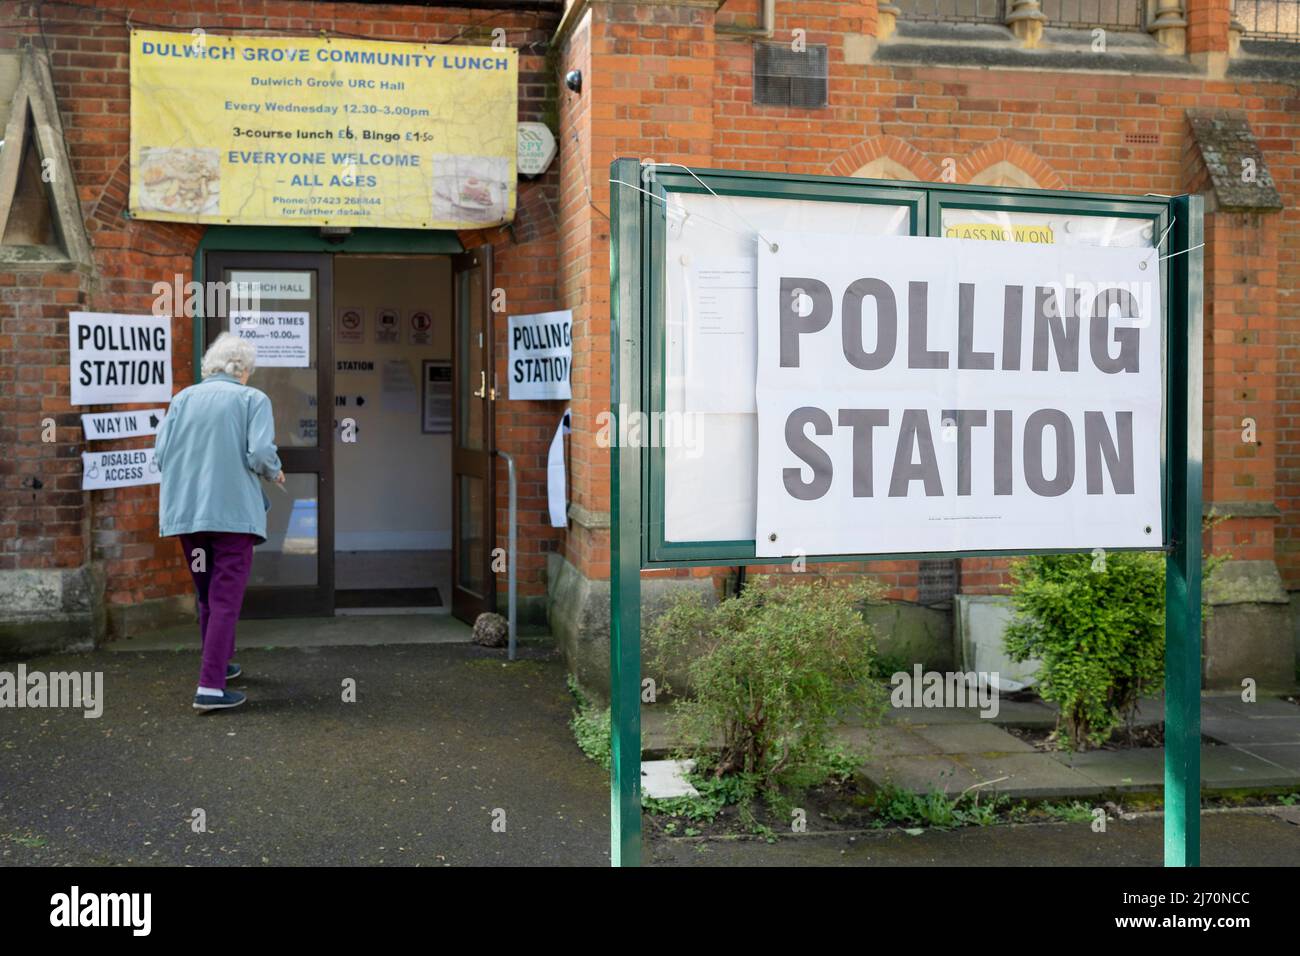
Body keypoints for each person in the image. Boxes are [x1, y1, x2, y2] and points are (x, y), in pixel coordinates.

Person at [154, 332, 283, 712]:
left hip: (189, 517)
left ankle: (220, 665)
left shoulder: (182, 399)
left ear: (211, 365)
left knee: (207, 591)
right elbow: (260, 452)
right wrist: (275, 472)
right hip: (232, 518)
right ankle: (209, 687)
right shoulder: (252, 399)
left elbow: (161, 454)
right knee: (226, 597)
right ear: (243, 370)